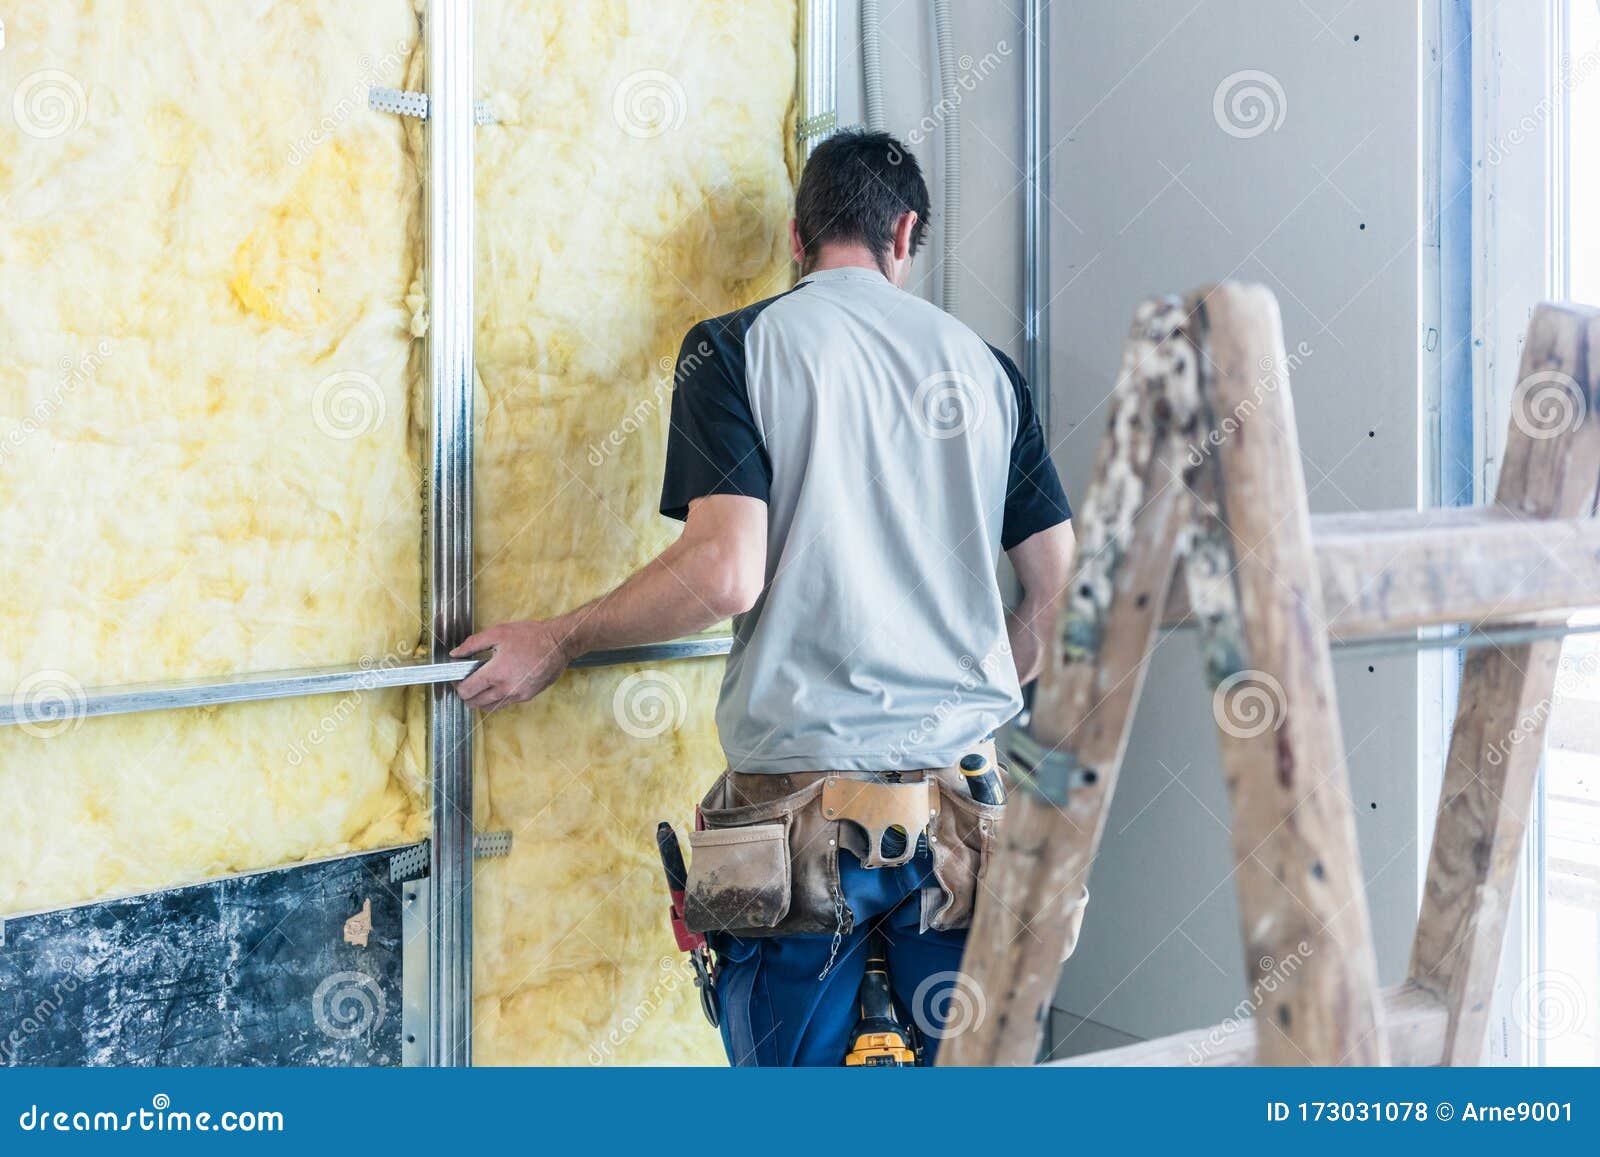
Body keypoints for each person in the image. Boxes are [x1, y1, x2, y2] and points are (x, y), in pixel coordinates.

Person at [453, 129, 1076, 1066]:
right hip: (961, 825)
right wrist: (962, 689)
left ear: (796, 236)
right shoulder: (988, 372)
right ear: (905, 235)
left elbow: (723, 573)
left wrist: (559, 638)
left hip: (797, 829)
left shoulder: (736, 348)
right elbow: (1059, 597)